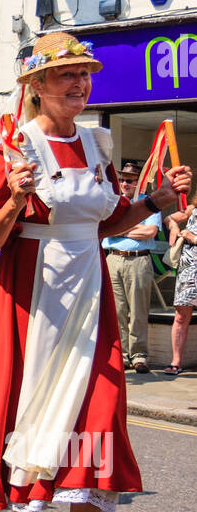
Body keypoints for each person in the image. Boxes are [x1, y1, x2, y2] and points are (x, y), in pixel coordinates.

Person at [0, 32, 191, 512]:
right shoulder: (17, 146)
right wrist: (13, 201)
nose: (80, 84)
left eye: (85, 74)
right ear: (36, 86)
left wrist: (156, 200)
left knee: (98, 415)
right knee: (35, 418)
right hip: (33, 300)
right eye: (66, 76)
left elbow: (110, 220)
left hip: (90, 292)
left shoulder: (98, 142)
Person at [101, 160, 162, 374]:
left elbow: (150, 232)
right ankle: (122, 355)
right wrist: (133, 228)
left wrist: (121, 230)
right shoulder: (112, 202)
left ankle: (139, 355)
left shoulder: (147, 203)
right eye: (123, 180)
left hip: (139, 259)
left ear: (139, 183)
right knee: (116, 311)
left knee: (138, 310)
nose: (125, 183)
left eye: (130, 180)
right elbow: (105, 229)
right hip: (113, 259)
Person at [163, 192, 197, 376]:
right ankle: (176, 362)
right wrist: (174, 226)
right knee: (181, 316)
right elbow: (169, 217)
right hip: (189, 269)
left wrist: (194, 239)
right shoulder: (193, 209)